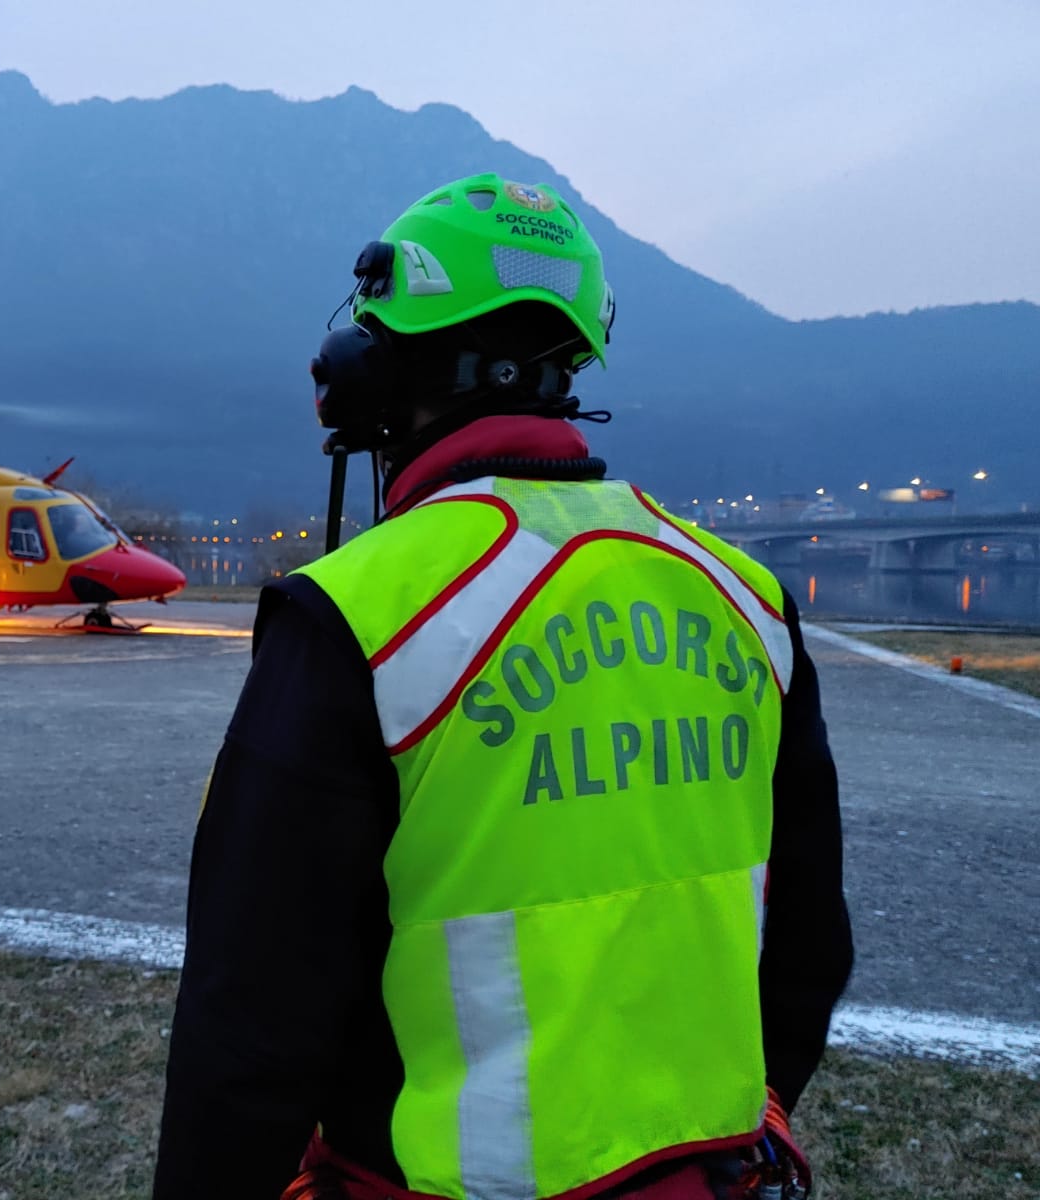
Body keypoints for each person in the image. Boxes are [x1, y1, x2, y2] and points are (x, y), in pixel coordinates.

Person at [153, 174, 853, 1200]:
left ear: (368, 372)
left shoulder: (352, 616)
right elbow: (808, 941)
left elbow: (250, 1017)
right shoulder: (743, 598)